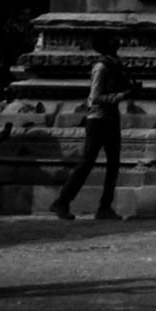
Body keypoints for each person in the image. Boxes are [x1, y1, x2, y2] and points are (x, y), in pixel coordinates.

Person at [44, 55, 128, 220]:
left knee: (113, 164)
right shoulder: (101, 67)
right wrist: (120, 96)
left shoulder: (114, 65)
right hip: (98, 120)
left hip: (111, 119)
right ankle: (62, 201)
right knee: (87, 162)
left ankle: (105, 206)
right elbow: (94, 98)